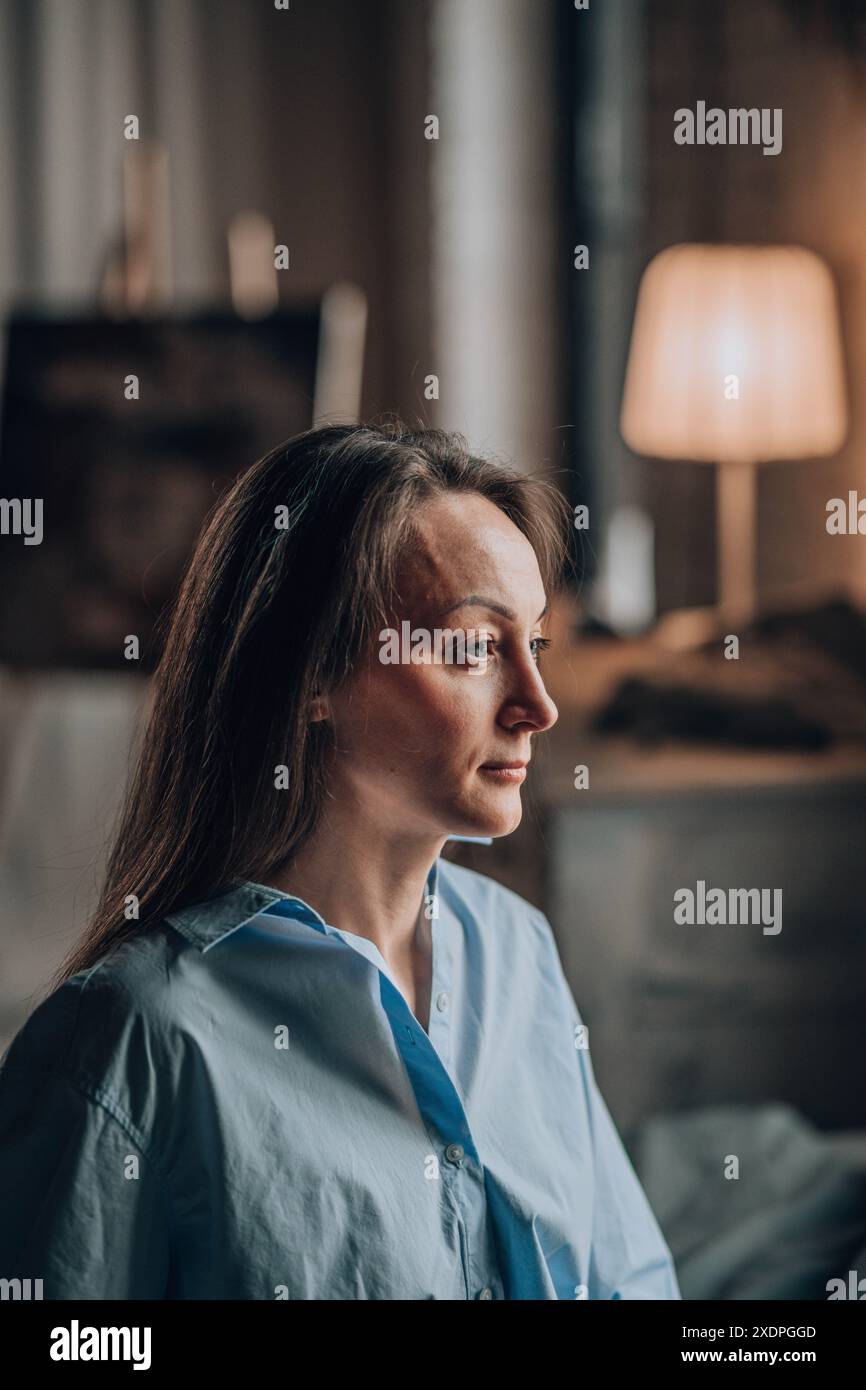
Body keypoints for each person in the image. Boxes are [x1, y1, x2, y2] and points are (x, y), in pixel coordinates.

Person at [0, 419, 680, 1300]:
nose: (537, 705)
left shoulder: (520, 954)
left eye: (537, 643)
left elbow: (632, 1283)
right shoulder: (135, 1039)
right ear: (311, 677)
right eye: (474, 647)